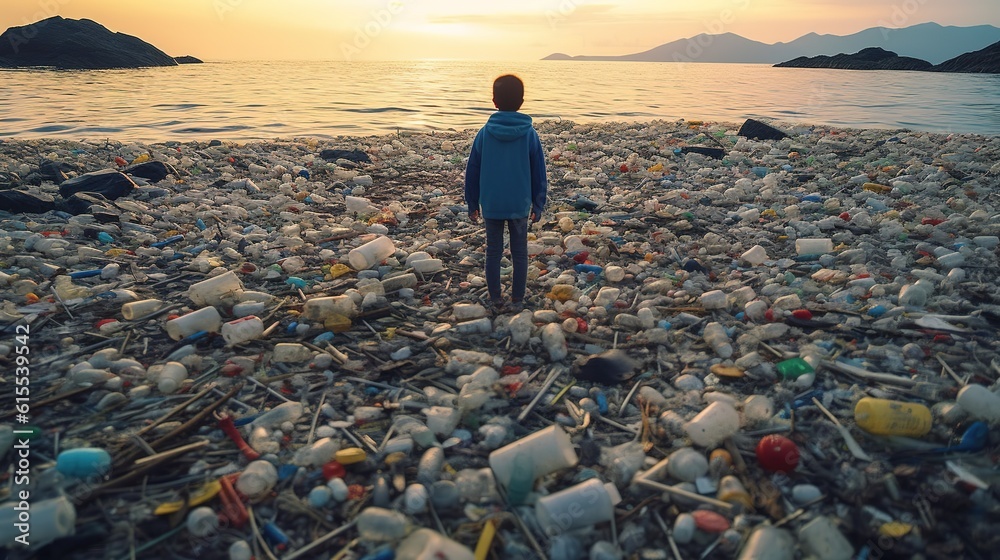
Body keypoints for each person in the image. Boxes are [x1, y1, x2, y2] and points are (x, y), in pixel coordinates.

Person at [464, 74, 547, 312]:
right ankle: (518, 299)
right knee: (519, 253)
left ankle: (496, 298)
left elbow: (473, 169)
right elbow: (538, 171)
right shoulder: (529, 134)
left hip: (492, 203)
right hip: (519, 204)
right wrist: (538, 204)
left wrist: (472, 202)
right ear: (521, 101)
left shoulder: (484, 133)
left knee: (493, 251)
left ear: (494, 101)